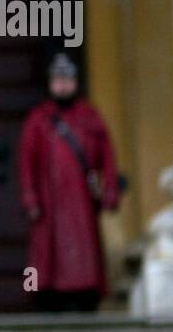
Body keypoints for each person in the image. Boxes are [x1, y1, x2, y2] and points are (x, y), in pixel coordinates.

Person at [17, 53, 120, 312]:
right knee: (47, 255)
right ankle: (46, 297)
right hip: (49, 201)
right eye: (58, 80)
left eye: (67, 80)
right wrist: (30, 197)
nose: (63, 85)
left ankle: (87, 296)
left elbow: (107, 156)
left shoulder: (90, 116)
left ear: (76, 83)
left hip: (81, 201)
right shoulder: (38, 120)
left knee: (85, 251)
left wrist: (110, 191)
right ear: (51, 84)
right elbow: (26, 162)